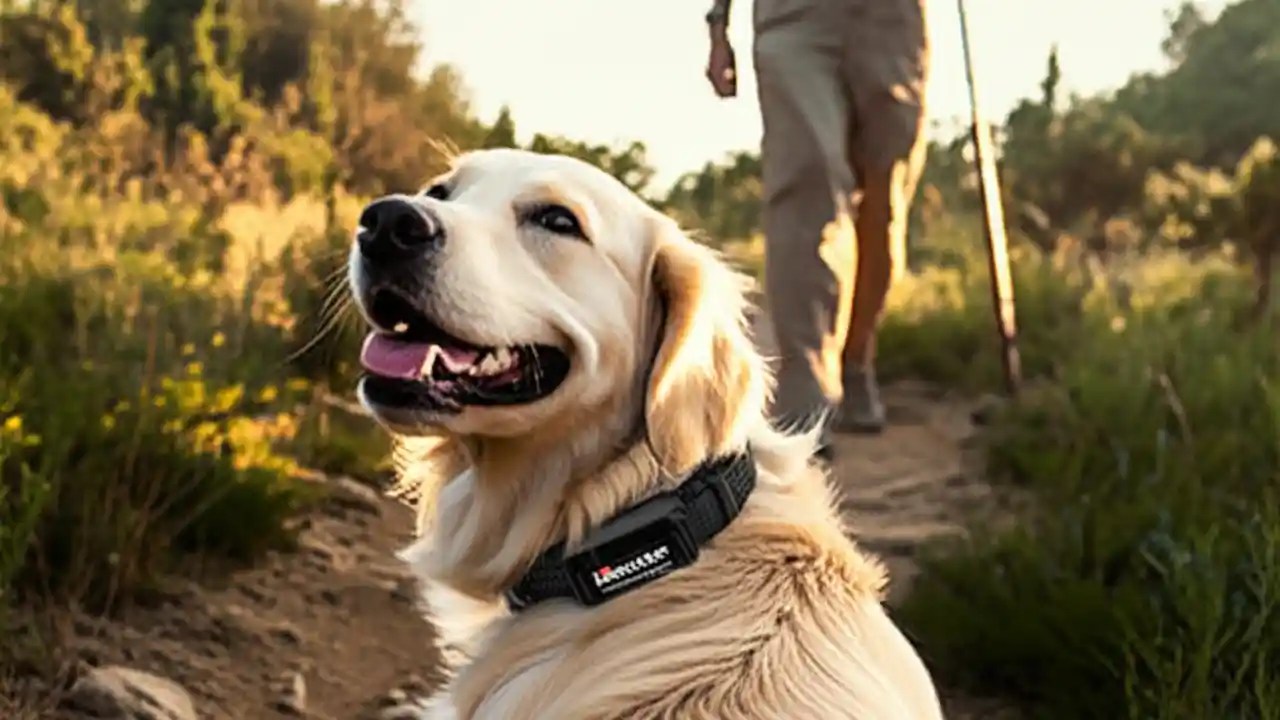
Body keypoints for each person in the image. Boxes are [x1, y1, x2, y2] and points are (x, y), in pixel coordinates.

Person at [704, 0, 929, 455]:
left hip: (891, 19)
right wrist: (718, 20)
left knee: (884, 204)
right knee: (809, 181)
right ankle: (806, 392)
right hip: (794, 16)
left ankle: (856, 358)